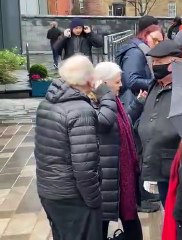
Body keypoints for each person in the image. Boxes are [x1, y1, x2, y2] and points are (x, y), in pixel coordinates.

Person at [34, 55, 101, 240]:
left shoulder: (47, 102)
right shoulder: (81, 110)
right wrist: (94, 200)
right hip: (73, 195)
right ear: (88, 79)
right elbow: (84, 165)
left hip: (49, 190)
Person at [115, 16, 163, 213]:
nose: (159, 44)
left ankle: (142, 197)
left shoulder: (138, 50)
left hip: (137, 105)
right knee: (139, 153)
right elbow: (132, 80)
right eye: (156, 40)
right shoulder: (136, 53)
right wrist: (157, 82)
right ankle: (142, 199)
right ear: (146, 34)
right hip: (134, 106)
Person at [93, 62, 144, 240]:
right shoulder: (95, 105)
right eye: (117, 82)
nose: (121, 85)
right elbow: (106, 124)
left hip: (123, 175)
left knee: (130, 221)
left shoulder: (115, 103)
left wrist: (138, 104)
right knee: (101, 225)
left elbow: (122, 125)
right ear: (103, 84)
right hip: (106, 179)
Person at [138, 40, 182, 207]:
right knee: (167, 206)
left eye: (159, 61)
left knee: (177, 210)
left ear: (174, 62)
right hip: (156, 161)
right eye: (153, 61)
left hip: (176, 164)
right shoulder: (154, 85)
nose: (154, 65)